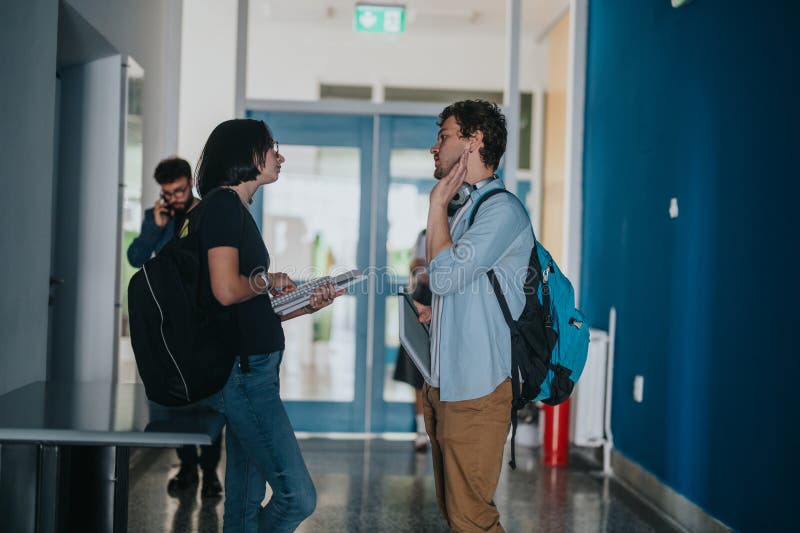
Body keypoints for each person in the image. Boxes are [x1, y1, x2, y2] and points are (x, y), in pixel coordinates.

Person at [192, 118, 344, 532]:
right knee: (297, 496)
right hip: (244, 377)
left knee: (243, 504)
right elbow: (226, 290)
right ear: (246, 155)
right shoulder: (223, 206)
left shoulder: (233, 210)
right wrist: (270, 279)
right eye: (270, 146)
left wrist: (304, 306)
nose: (279, 155)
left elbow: (245, 308)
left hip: (250, 369)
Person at [418, 100, 535, 532]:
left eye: (444, 135)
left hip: (478, 389)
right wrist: (437, 314)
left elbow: (444, 276)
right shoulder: (466, 208)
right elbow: (457, 288)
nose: (435, 147)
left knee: (472, 520)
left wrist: (435, 204)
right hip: (446, 386)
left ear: (475, 140)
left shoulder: (502, 210)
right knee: (457, 515)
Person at [125, 157, 224, 497]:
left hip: (203, 316)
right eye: (169, 193)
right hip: (171, 318)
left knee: (209, 397)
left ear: (190, 184)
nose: (176, 197)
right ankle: (187, 467)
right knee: (177, 400)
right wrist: (154, 226)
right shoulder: (159, 219)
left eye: (180, 190)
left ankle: (210, 472)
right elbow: (137, 258)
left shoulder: (206, 215)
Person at [393, 229, 431, 452]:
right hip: (422, 296)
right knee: (418, 372)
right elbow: (415, 268)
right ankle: (420, 432)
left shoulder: (457, 234)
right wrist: (418, 268)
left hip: (441, 299)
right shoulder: (423, 236)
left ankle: (435, 430)